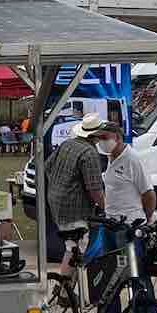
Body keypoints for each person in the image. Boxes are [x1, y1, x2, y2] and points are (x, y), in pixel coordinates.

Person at [96, 120, 157, 313]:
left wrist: (146, 220)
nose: (101, 142)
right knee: (110, 274)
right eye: (99, 138)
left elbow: (148, 194)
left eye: (105, 138)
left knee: (136, 276)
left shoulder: (132, 160)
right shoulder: (110, 158)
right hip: (110, 224)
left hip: (129, 227)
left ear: (118, 138)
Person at [45, 113, 108, 274]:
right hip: (74, 208)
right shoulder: (89, 153)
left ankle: (68, 289)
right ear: (97, 135)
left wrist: (60, 184)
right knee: (76, 248)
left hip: (55, 201)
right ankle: (65, 290)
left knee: (72, 245)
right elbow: (94, 189)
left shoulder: (67, 144)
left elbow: (47, 166)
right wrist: (107, 209)